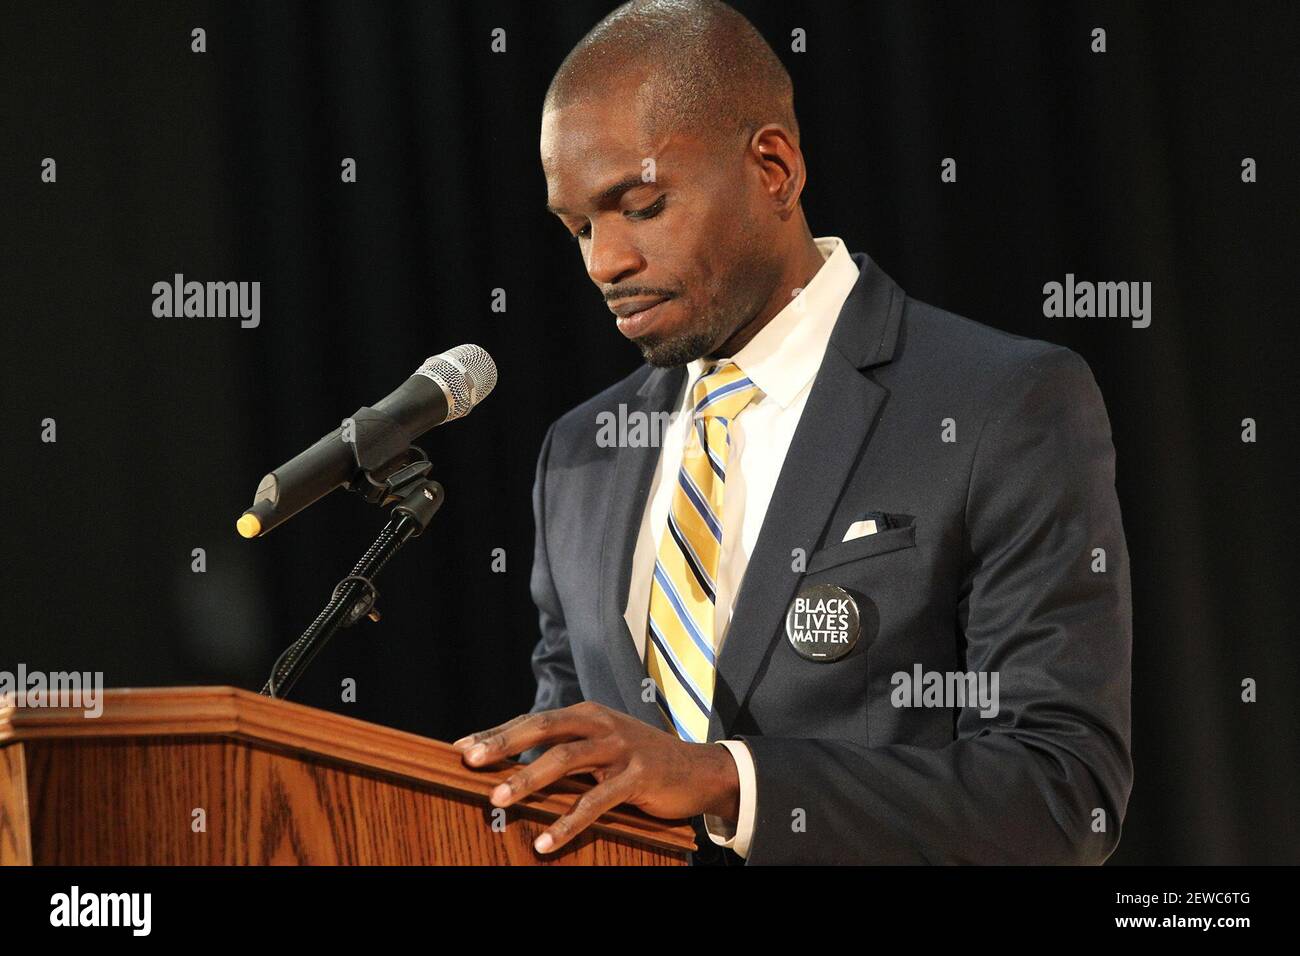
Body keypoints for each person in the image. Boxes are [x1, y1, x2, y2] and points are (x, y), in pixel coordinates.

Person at [453, 0, 1133, 865]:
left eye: (643, 205)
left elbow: (1062, 793)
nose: (603, 262)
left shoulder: (1003, 401)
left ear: (774, 167)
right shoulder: (581, 455)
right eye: (579, 227)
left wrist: (731, 780)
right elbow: (574, 775)